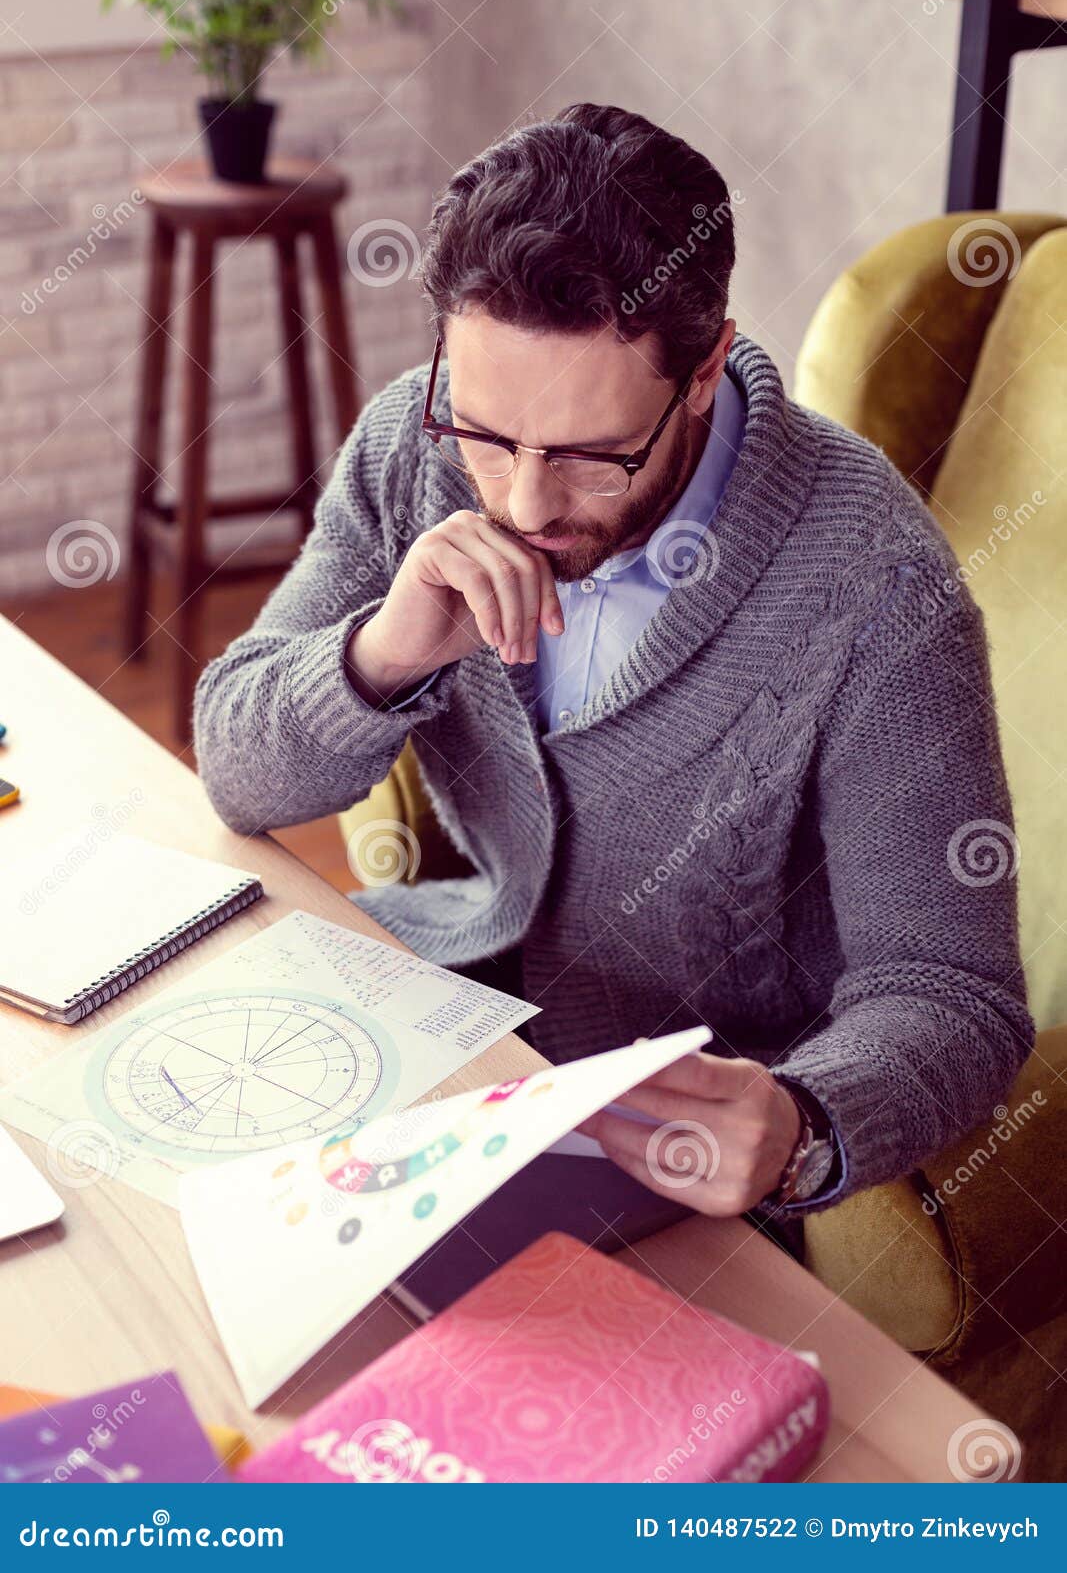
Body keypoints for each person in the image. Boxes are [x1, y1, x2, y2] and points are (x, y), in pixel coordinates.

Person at [194, 102, 1033, 1239]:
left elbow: (953, 993)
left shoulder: (875, 586)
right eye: (488, 434)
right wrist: (382, 653)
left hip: (686, 1147)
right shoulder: (415, 445)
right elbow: (235, 766)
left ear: (701, 373)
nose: (523, 501)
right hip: (457, 1042)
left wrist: (800, 1120)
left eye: (588, 456)